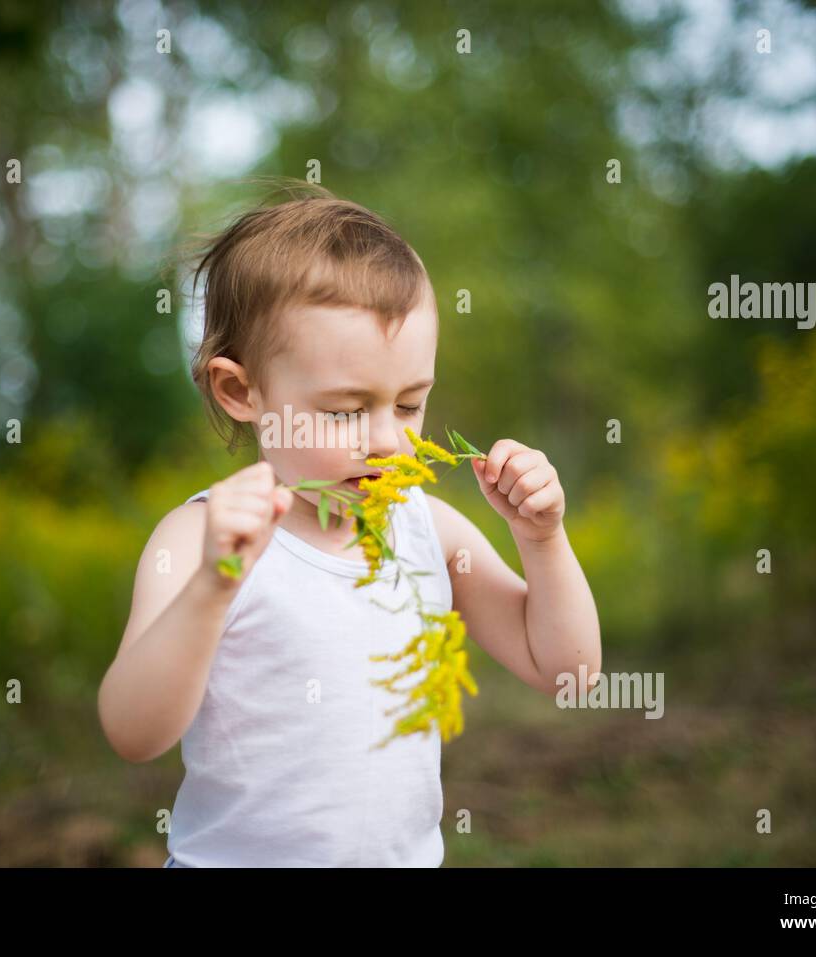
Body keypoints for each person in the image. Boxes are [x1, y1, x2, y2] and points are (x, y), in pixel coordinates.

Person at [98, 184, 601, 867]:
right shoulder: (199, 540)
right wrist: (211, 590)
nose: (390, 441)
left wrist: (542, 540)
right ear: (242, 391)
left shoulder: (431, 531)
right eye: (345, 410)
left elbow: (567, 673)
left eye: (410, 403)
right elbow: (133, 731)